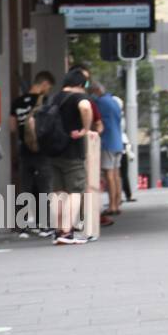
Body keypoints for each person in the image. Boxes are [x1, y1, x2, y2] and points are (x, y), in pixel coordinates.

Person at [49, 68, 97, 245]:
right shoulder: (79, 97)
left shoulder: (53, 98)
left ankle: (57, 230)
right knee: (75, 191)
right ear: (80, 84)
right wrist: (85, 128)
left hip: (53, 150)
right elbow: (85, 107)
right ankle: (67, 231)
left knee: (58, 192)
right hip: (72, 151)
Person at [9, 70, 55, 237]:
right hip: (41, 150)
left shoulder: (17, 102)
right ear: (44, 84)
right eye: (48, 87)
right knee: (45, 188)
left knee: (25, 188)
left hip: (24, 149)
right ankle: (45, 225)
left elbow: (12, 127)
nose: (48, 90)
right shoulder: (43, 102)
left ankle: (22, 226)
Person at [92, 82, 124, 218]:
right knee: (116, 175)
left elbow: (96, 121)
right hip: (118, 142)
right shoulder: (114, 101)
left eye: (92, 91)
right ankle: (117, 202)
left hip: (108, 142)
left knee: (109, 175)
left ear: (97, 90)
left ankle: (112, 206)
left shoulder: (100, 103)